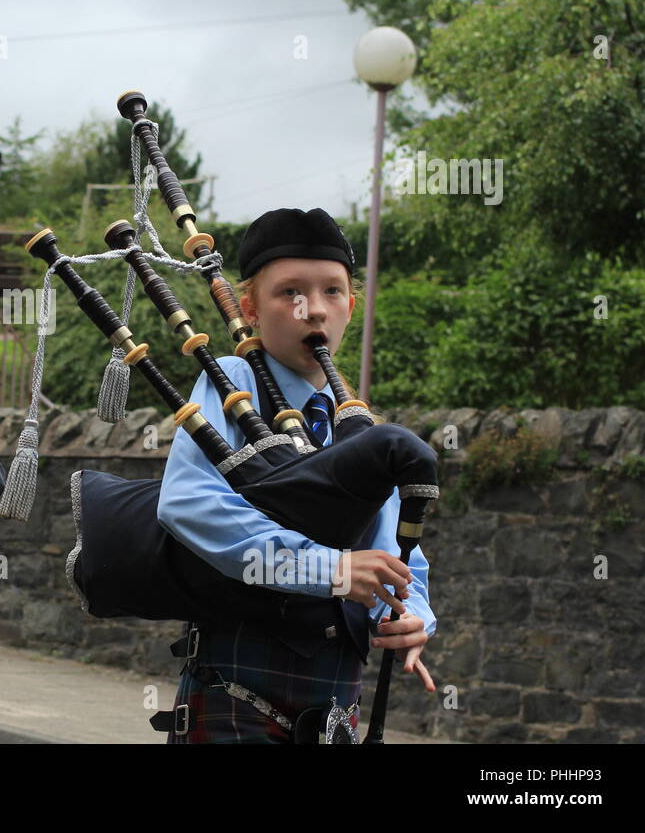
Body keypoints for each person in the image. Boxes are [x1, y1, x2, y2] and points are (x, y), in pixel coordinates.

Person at [156, 207, 436, 743]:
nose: (314, 311)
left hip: (333, 705)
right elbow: (188, 502)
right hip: (237, 692)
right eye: (290, 293)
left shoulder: (354, 419)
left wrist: (410, 615)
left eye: (333, 291)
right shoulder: (232, 380)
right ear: (249, 309)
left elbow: (401, 555)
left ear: (351, 306)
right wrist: (329, 570)